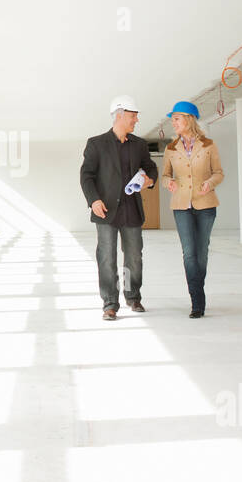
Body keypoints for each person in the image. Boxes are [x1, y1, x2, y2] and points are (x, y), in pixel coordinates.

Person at [80, 95, 158, 321]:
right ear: (120, 115)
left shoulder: (140, 145)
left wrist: (149, 181)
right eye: (133, 116)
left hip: (132, 210)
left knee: (134, 257)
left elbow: (151, 169)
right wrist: (93, 200)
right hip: (105, 211)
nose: (136, 120)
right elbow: (86, 176)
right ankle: (110, 304)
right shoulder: (96, 144)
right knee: (106, 257)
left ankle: (133, 297)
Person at [161, 101, 224, 318]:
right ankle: (197, 301)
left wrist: (210, 183)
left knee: (202, 251)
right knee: (189, 253)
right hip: (181, 206)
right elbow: (165, 175)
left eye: (176, 118)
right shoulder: (171, 148)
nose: (173, 123)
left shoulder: (208, 145)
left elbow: (219, 173)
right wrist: (168, 182)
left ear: (189, 119)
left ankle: (197, 286)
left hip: (205, 204)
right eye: (173, 119)